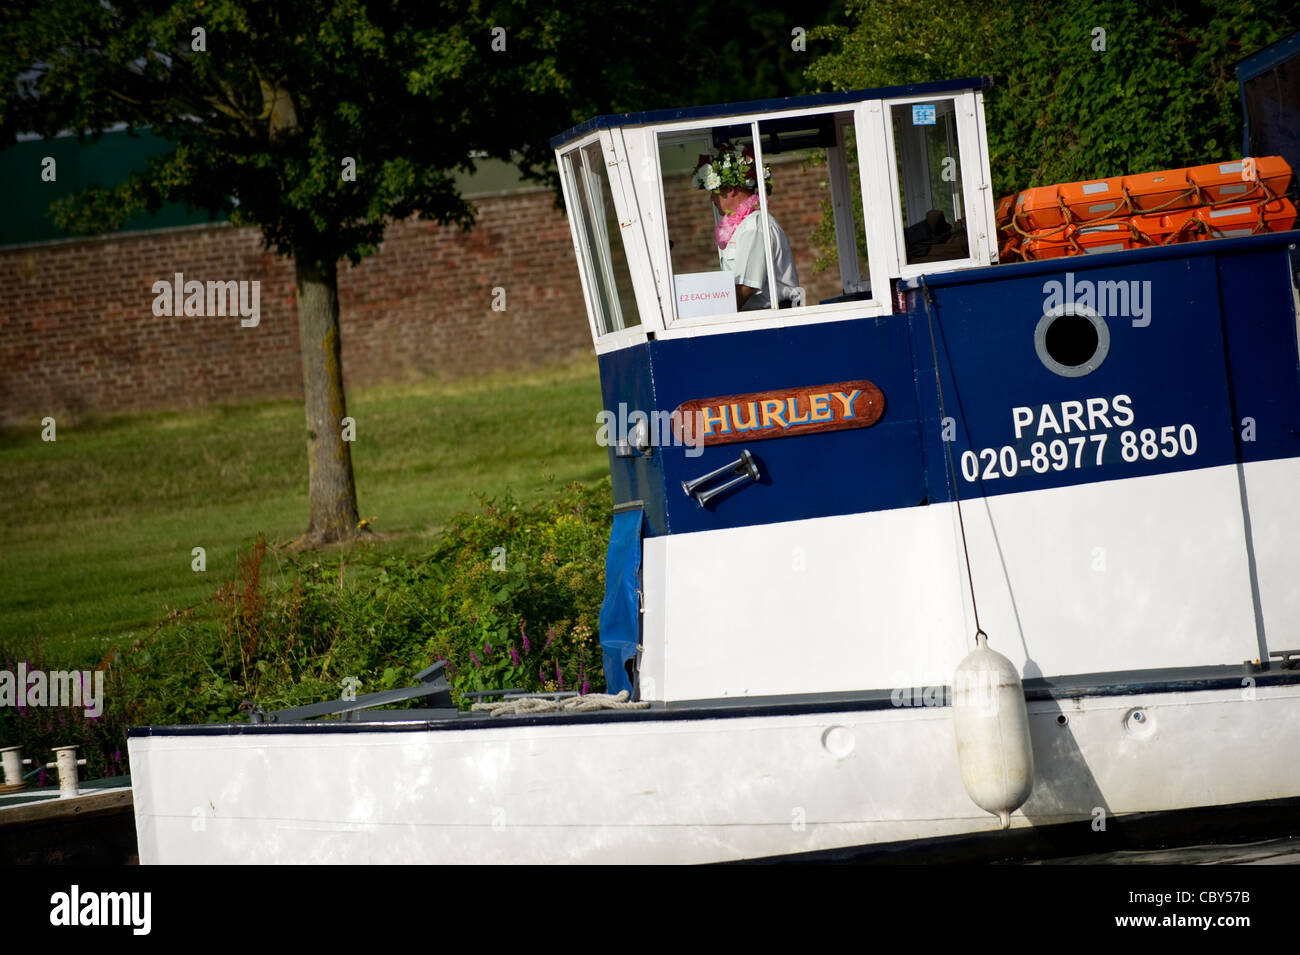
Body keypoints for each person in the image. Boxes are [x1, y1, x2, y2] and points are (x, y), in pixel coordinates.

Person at [692, 143, 800, 310]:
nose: (712, 199)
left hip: (772, 319)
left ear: (732, 190)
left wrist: (715, 313)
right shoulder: (740, 226)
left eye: (714, 192)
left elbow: (748, 286)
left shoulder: (754, 224)